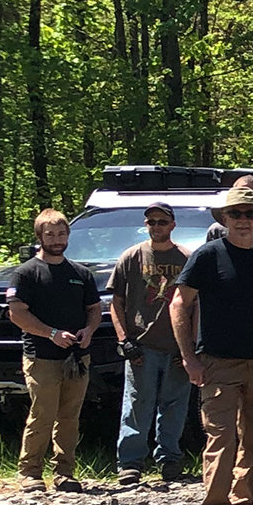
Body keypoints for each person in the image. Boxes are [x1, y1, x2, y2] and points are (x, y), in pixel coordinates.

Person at [171, 183, 253, 505]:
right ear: (224, 219)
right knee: (221, 437)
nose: (243, 220)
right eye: (235, 214)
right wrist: (189, 358)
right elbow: (179, 304)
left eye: (249, 214)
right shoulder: (207, 256)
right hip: (217, 364)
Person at [5, 209, 102, 493]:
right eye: (50, 234)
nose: (57, 239)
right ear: (40, 237)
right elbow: (17, 314)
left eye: (61, 234)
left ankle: (65, 473)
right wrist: (51, 333)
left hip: (76, 357)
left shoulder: (80, 273)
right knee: (43, 414)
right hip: (42, 357)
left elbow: (94, 310)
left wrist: (89, 330)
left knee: (70, 417)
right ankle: (30, 473)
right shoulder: (26, 273)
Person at [108, 201, 192, 487]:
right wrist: (124, 340)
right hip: (142, 346)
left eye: (162, 221)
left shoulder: (186, 258)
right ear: (146, 226)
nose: (156, 226)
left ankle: (169, 458)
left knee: (174, 405)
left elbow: (197, 306)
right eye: (151, 222)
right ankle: (130, 462)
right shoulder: (131, 256)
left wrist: (190, 347)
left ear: (172, 225)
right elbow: (115, 302)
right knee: (137, 404)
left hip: (177, 346)